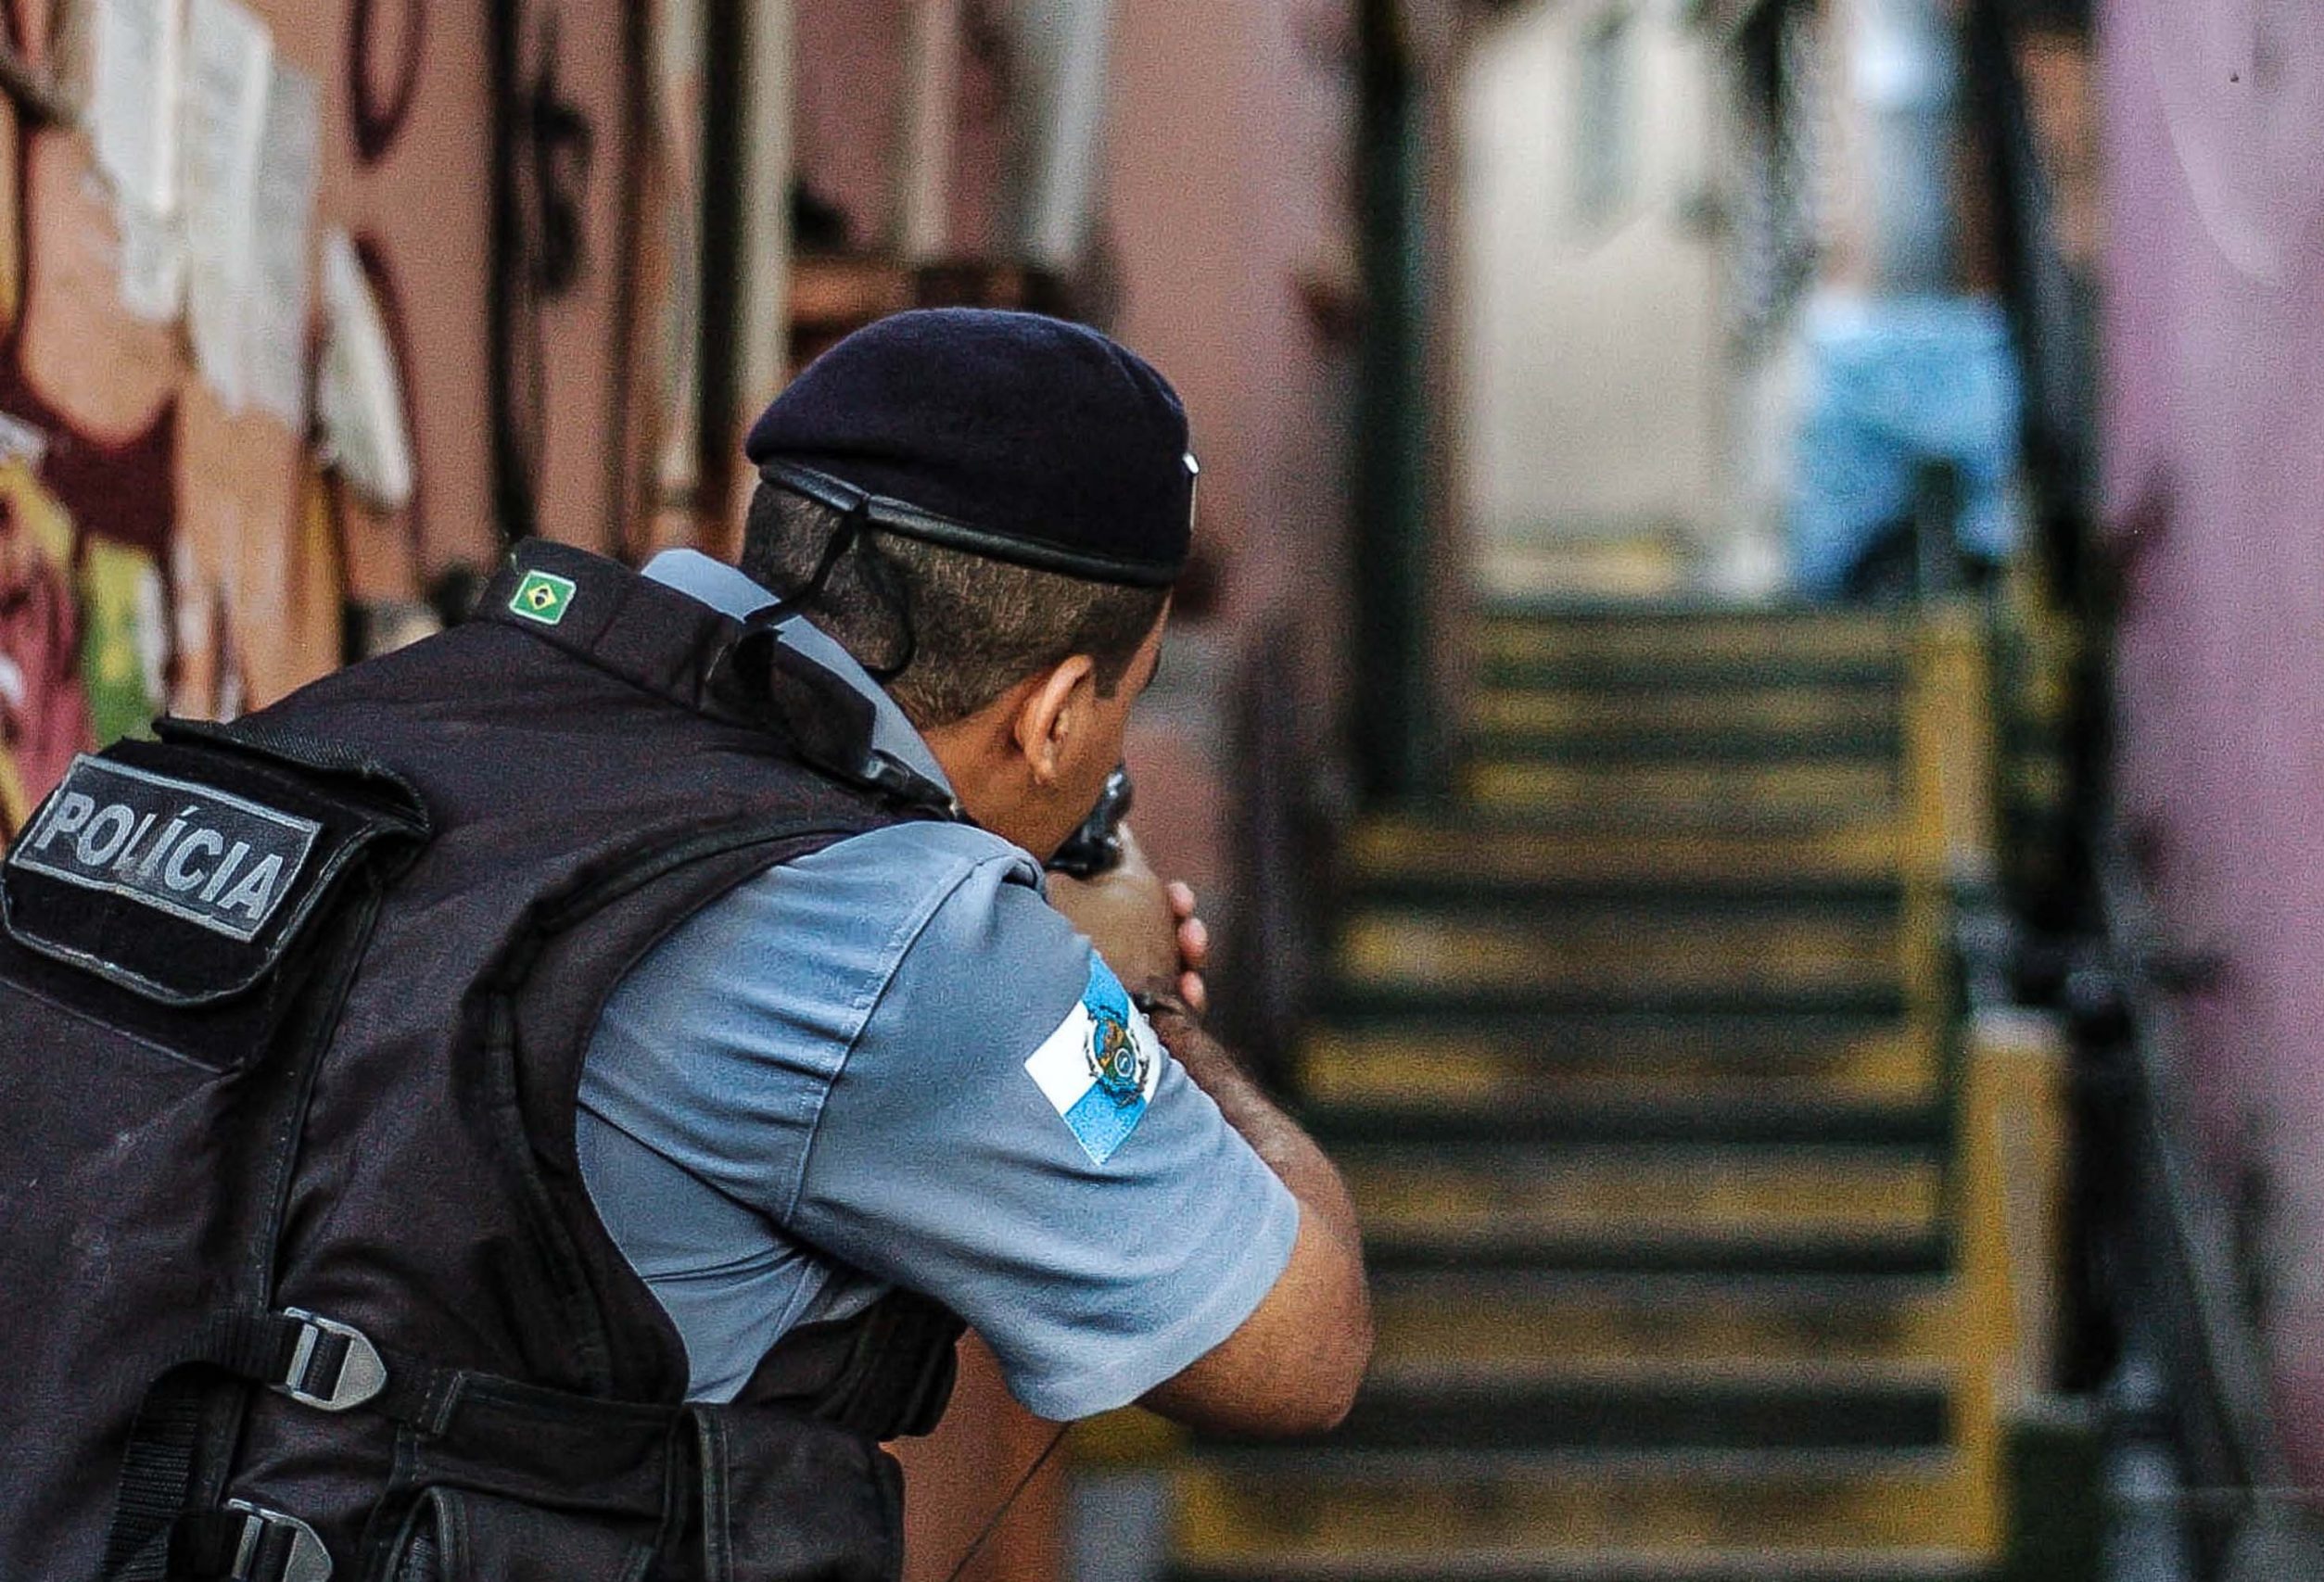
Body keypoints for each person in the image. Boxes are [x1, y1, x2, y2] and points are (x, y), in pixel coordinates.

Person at [0, 307, 1367, 1582]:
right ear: (1059, 712)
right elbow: (1298, 1345)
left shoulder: (389, 713)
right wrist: (1133, 998)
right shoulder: (911, 937)